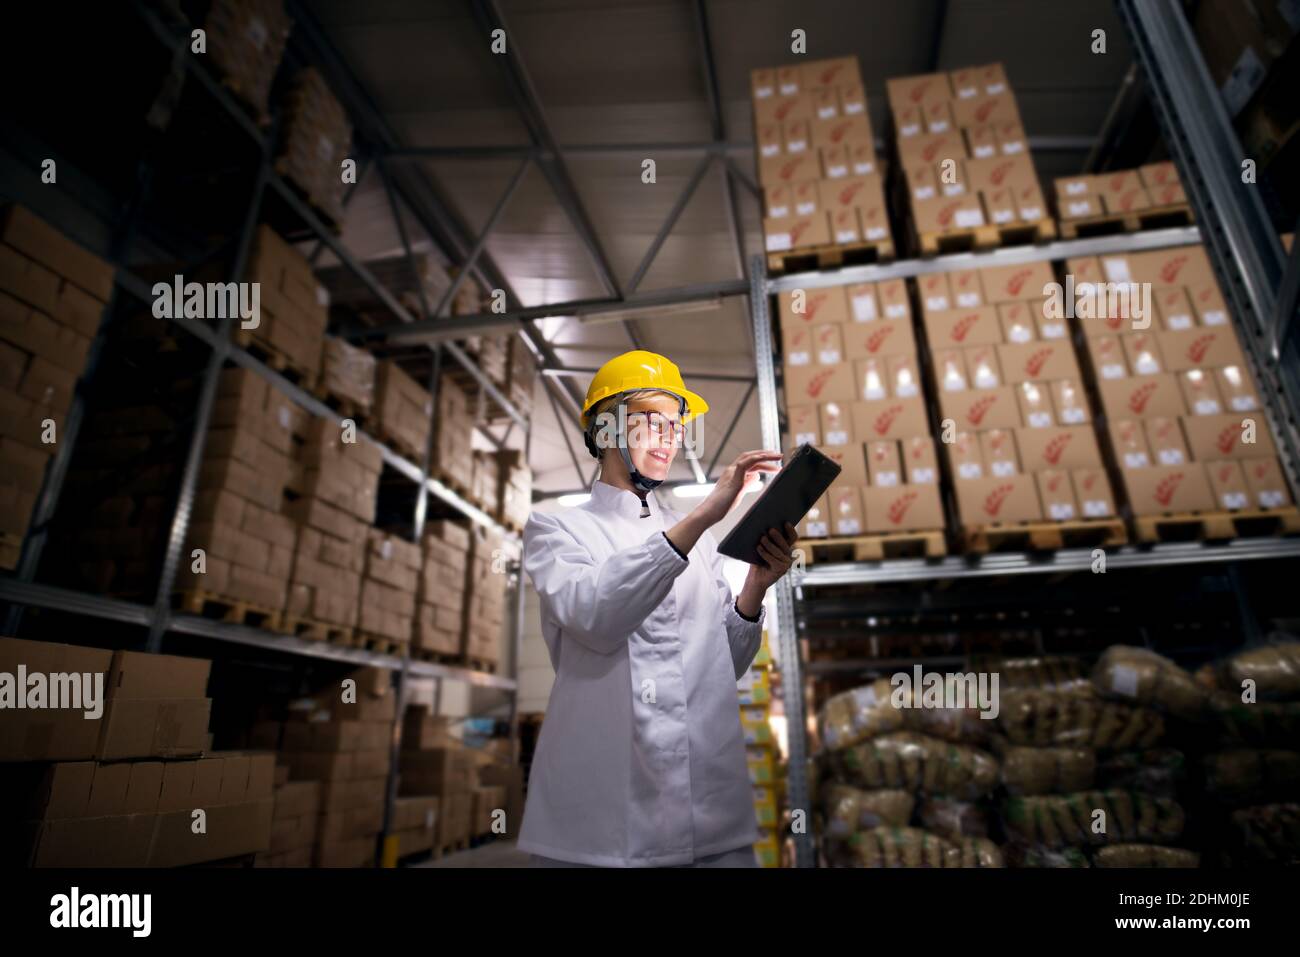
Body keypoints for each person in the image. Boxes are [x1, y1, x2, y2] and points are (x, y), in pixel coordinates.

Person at [518, 349, 799, 868]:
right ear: (605, 430)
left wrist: (755, 588)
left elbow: (727, 665)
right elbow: (596, 615)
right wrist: (705, 513)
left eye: (676, 424)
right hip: (602, 827)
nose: (671, 436)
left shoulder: (702, 545)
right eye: (651, 421)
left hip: (709, 817)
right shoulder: (557, 530)